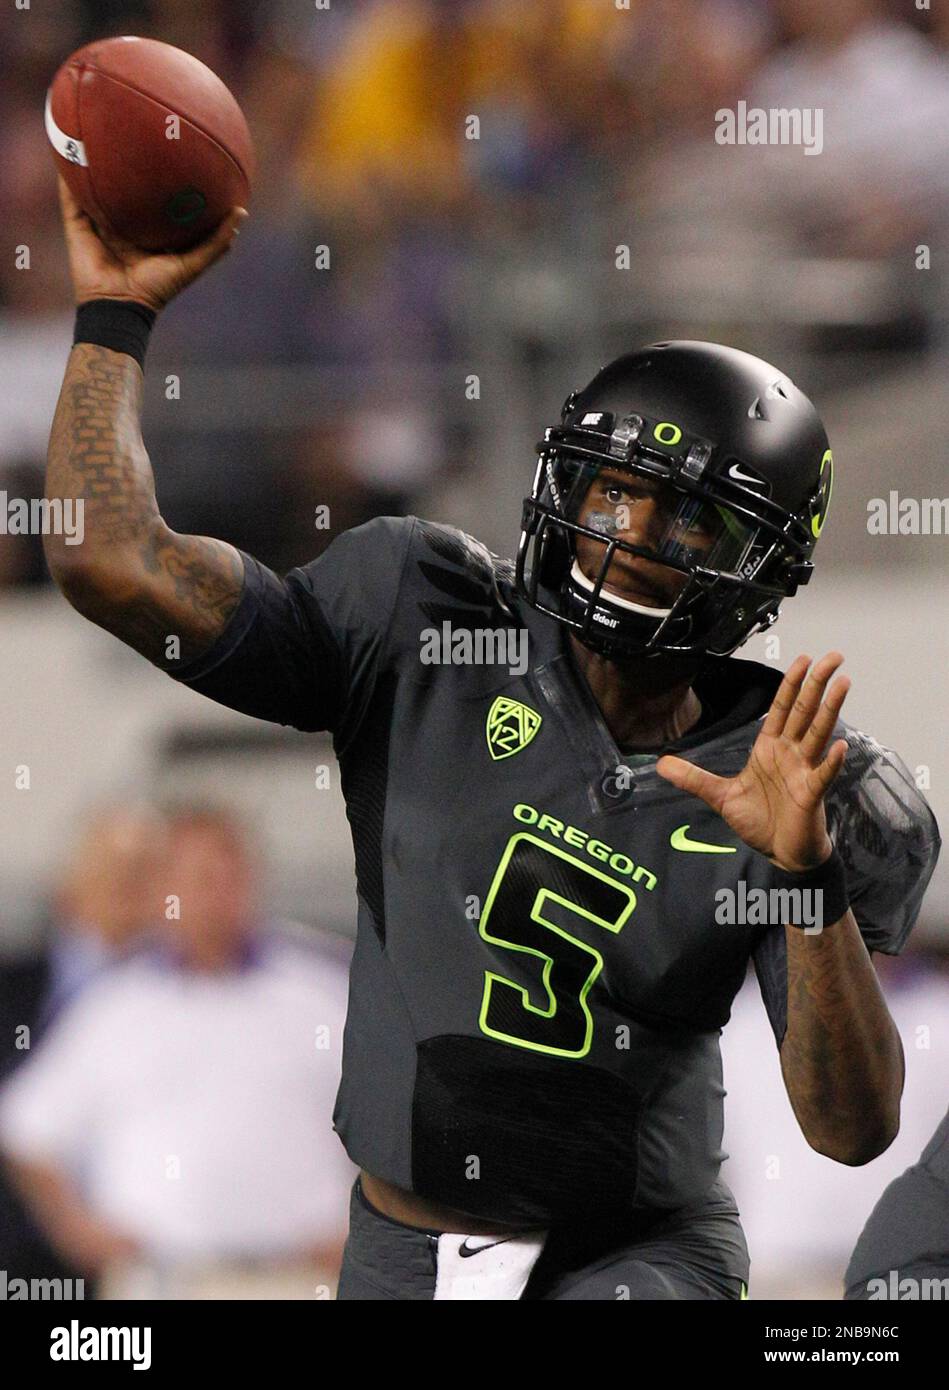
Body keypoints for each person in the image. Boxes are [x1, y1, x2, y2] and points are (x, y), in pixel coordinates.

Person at [42, 181, 940, 1300]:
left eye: (686, 516)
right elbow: (106, 560)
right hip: (395, 1247)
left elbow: (851, 1129)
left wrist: (806, 884)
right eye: (611, 492)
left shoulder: (794, 772)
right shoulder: (420, 615)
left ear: (761, 566)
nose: (628, 536)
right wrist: (115, 319)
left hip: (631, 1256)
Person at [0, 804, 354, 1298]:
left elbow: (393, 1116)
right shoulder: (113, 1003)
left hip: (297, 1279)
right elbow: (27, 1126)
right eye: (192, 878)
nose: (210, 896)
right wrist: (78, 1231)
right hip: (163, 1280)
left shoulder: (322, 991)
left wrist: (368, 1224)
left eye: (223, 876)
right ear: (162, 887)